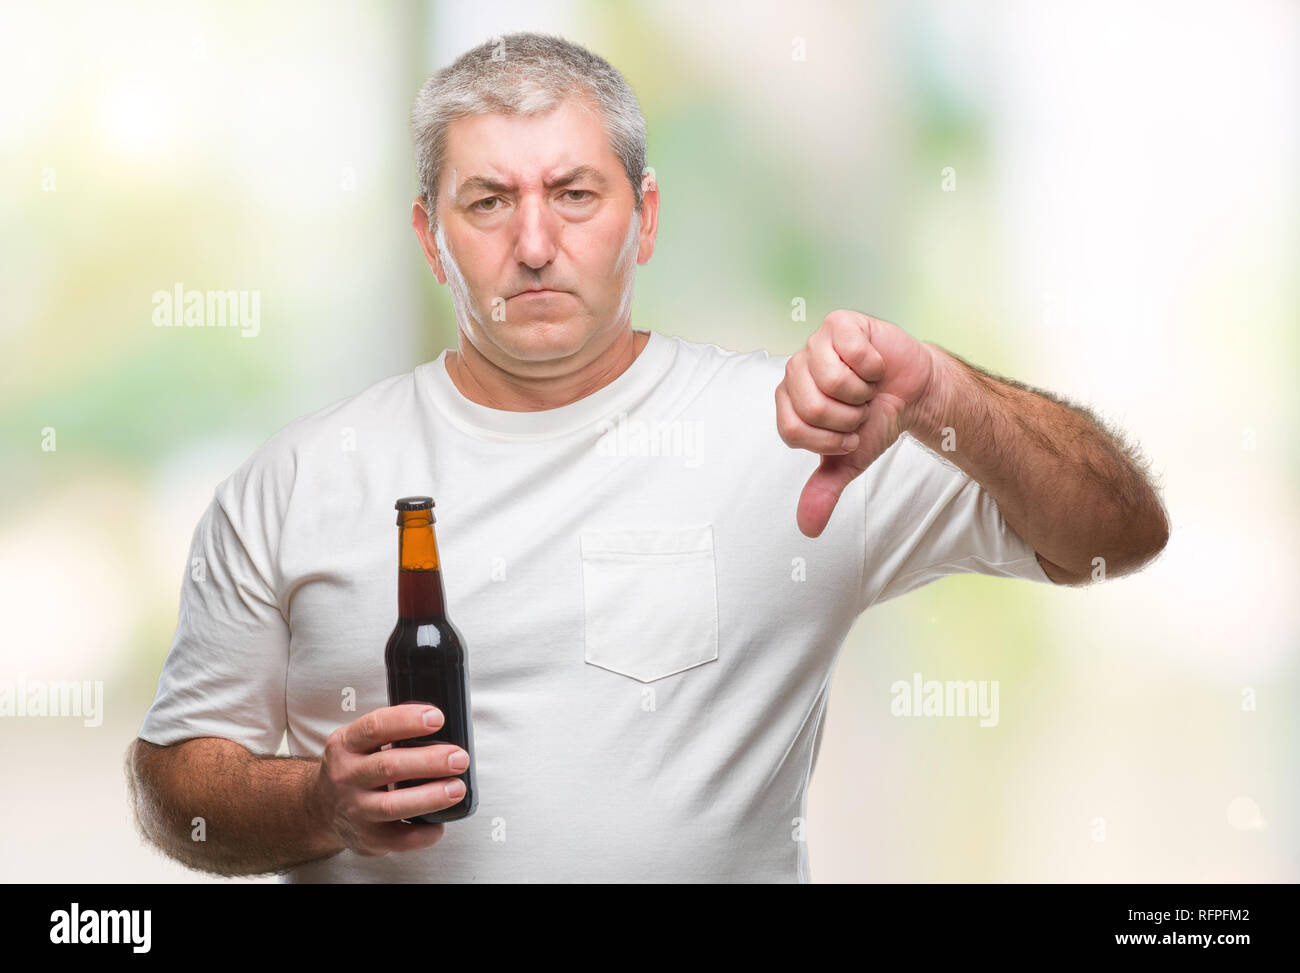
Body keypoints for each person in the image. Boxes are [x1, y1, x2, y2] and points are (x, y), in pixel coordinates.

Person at [127, 31, 1168, 883]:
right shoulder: (299, 478)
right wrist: (317, 801)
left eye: (575, 195)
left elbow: (1117, 534)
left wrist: (949, 395)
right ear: (430, 236)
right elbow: (173, 789)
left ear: (647, 217)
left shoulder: (800, 436)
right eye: (488, 202)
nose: (534, 243)